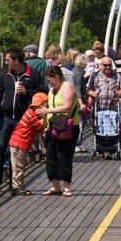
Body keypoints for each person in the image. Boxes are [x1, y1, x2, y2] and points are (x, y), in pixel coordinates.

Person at [0, 49, 44, 187]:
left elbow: (43, 93)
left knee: (18, 153)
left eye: (8, 60)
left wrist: (27, 92)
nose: (6, 63)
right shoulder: (5, 75)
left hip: (23, 120)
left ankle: (14, 184)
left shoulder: (33, 75)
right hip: (5, 117)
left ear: (16, 61)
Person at [41, 65, 80, 196]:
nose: (49, 82)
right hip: (53, 126)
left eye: (50, 80)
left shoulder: (67, 87)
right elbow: (50, 105)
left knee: (64, 155)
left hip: (67, 127)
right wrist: (45, 126)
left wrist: (47, 111)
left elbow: (67, 107)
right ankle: (55, 186)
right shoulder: (52, 90)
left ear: (57, 77)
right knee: (51, 156)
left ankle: (67, 186)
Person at [8, 91, 48, 195]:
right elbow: (40, 127)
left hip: (18, 142)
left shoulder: (30, 112)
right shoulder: (32, 116)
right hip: (20, 143)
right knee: (18, 165)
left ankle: (18, 186)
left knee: (18, 165)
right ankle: (17, 187)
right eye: (45, 106)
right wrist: (44, 118)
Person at [87, 54, 121, 151]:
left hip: (113, 107)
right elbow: (88, 89)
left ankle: (111, 148)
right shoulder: (94, 75)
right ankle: (100, 148)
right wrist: (93, 93)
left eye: (109, 65)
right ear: (101, 65)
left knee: (113, 128)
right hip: (99, 106)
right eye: (105, 65)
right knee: (98, 127)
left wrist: (119, 93)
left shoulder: (117, 76)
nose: (107, 67)